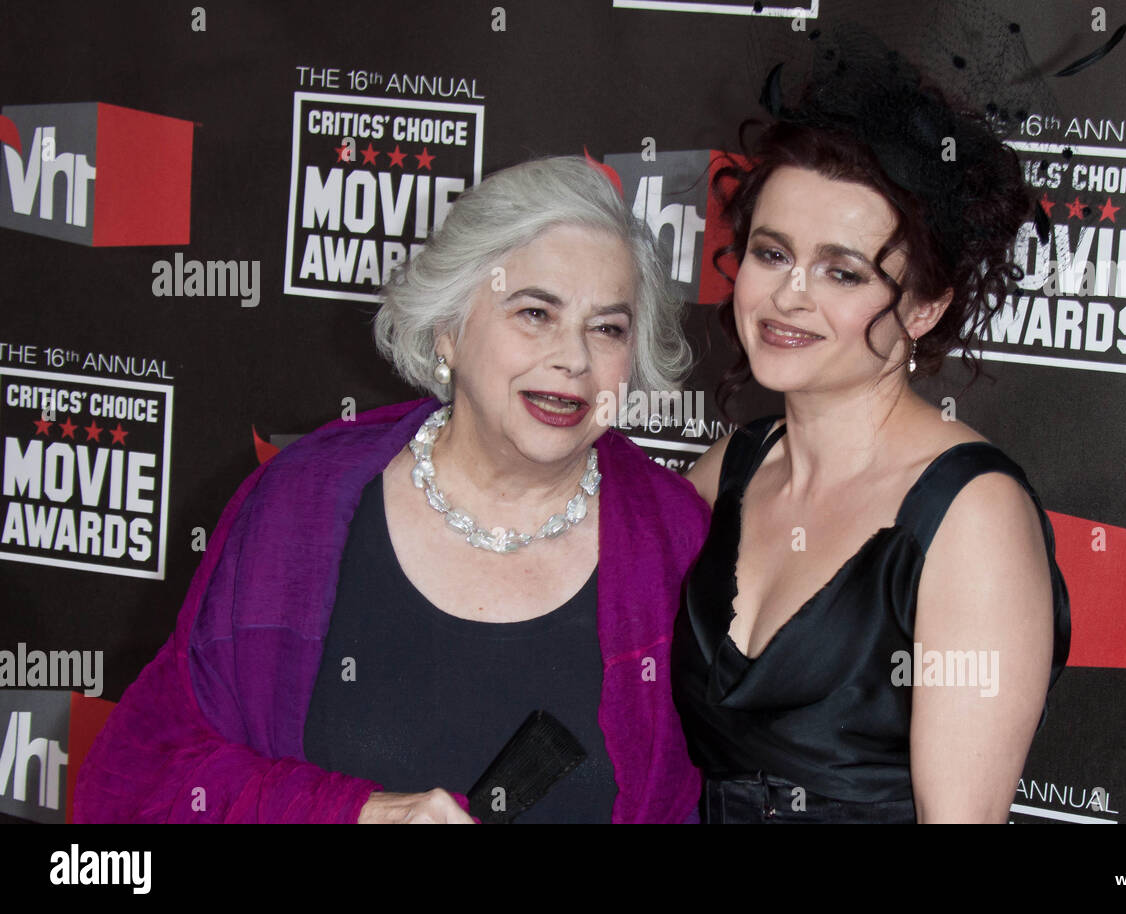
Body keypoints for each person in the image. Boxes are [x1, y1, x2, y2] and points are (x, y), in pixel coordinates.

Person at [75, 156, 709, 824]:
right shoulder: (300, 508)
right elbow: (151, 775)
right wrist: (354, 815)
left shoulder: (677, 546)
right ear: (448, 331)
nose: (574, 358)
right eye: (534, 313)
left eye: (607, 328)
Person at [671, 41, 1072, 823]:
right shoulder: (733, 467)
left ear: (924, 308)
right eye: (772, 252)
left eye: (843, 271)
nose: (790, 296)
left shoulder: (970, 518)